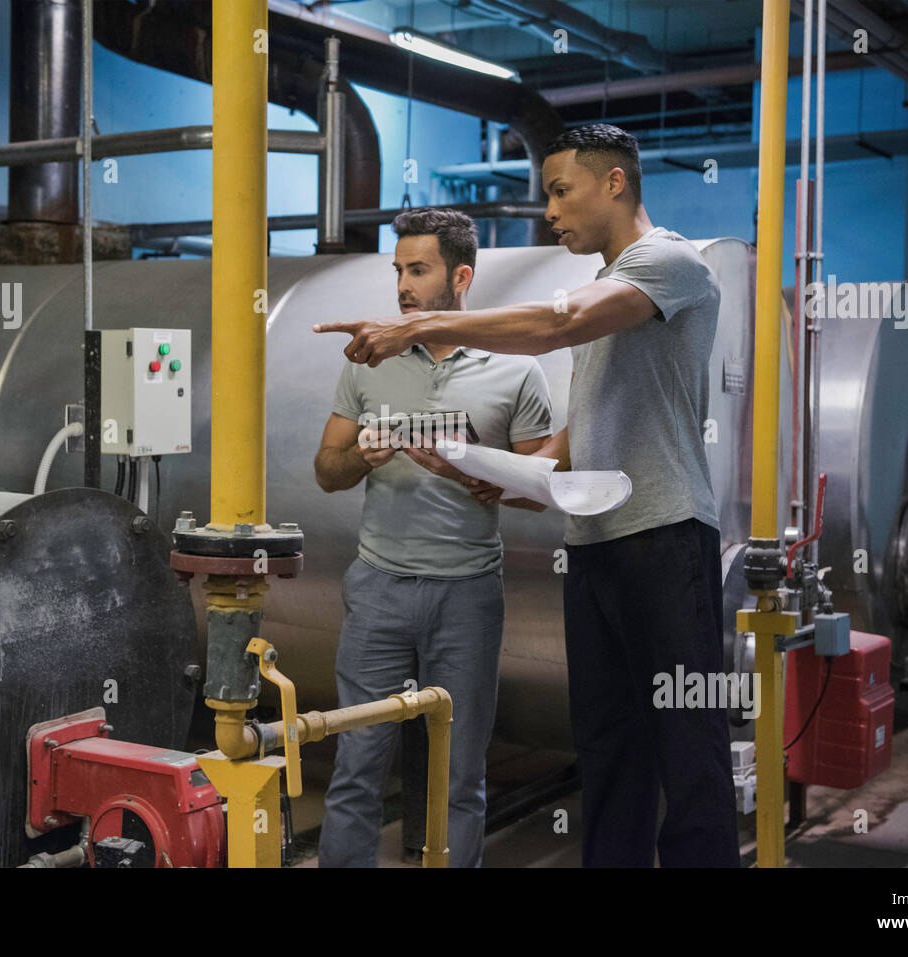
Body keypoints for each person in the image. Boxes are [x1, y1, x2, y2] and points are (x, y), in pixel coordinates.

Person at [314, 124, 740, 868]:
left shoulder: (672, 262)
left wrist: (414, 324)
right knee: (610, 751)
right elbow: (589, 422)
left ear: (614, 183)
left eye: (559, 190)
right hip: (596, 545)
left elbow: (558, 325)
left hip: (666, 538)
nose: (549, 209)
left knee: (689, 747)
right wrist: (516, 471)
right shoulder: (605, 285)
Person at [313, 207, 553, 867]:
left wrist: (496, 481)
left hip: (468, 597)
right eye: (398, 270)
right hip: (379, 589)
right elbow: (326, 469)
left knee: (460, 774)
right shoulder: (370, 362)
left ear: (462, 275)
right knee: (357, 762)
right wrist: (363, 454)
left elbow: (543, 486)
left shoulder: (516, 370)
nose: (402, 286)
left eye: (418, 270)